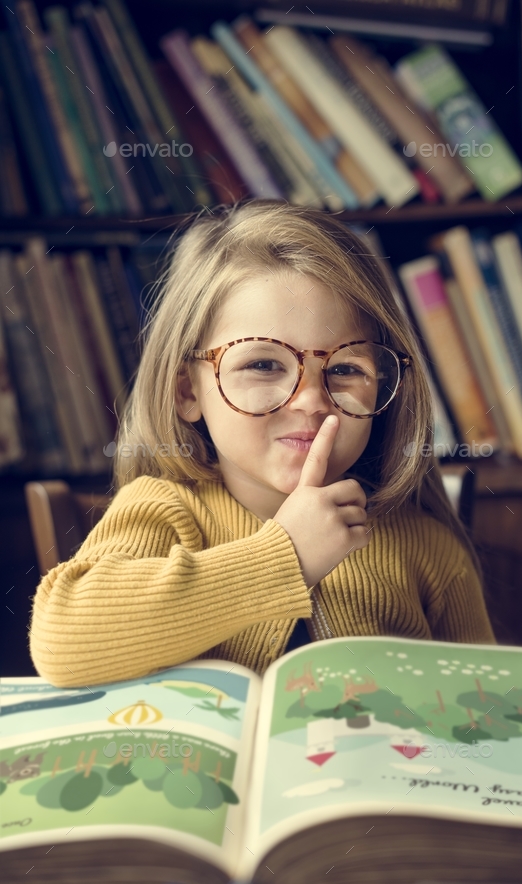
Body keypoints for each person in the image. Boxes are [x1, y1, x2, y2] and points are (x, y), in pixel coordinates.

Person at [29, 200, 496, 688]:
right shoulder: (163, 511)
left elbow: (483, 714)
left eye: (344, 369)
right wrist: (285, 558)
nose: (312, 400)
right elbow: (63, 644)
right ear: (188, 391)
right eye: (264, 365)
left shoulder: (428, 549)